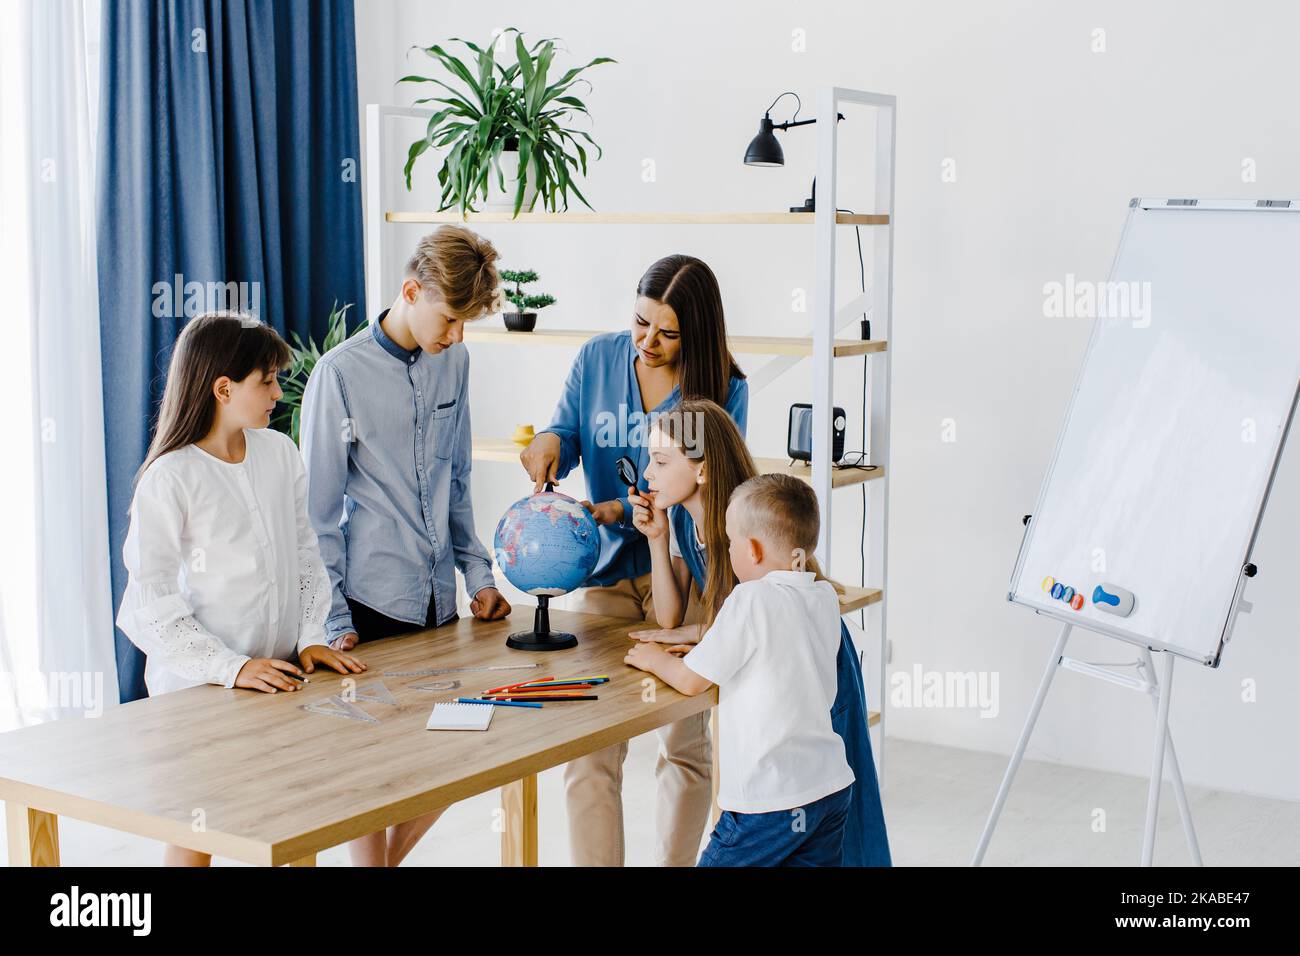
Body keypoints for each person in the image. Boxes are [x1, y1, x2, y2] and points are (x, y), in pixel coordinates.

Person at [518, 254, 747, 867]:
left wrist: (626, 511)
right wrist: (550, 440)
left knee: (685, 741)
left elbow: (709, 483)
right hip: (604, 573)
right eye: (640, 323)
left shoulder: (723, 387)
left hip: (687, 577)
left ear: (694, 335)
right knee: (587, 743)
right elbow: (564, 436)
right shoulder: (597, 358)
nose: (646, 342)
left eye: (667, 334)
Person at [117, 312, 366, 867]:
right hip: (200, 689)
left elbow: (304, 551)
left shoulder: (279, 453)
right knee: (198, 824)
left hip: (278, 677)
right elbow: (148, 601)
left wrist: (309, 635)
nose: (280, 392)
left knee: (290, 816)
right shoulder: (171, 477)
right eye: (268, 381)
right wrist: (230, 666)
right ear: (223, 389)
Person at [300, 225, 511, 866]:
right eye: (449, 318)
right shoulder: (339, 377)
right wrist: (332, 618)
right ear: (410, 290)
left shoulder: (457, 360)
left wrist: (479, 577)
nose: (456, 335)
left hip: (440, 606)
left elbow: (459, 476)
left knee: (454, 753)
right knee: (375, 773)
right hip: (369, 606)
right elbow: (318, 515)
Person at [629, 401, 893, 866]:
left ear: (703, 469)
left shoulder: (741, 519)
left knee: (827, 793)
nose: (648, 472)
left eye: (662, 461)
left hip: (805, 663)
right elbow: (671, 619)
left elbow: (746, 615)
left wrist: (695, 640)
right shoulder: (691, 523)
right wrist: (656, 538)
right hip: (771, 653)